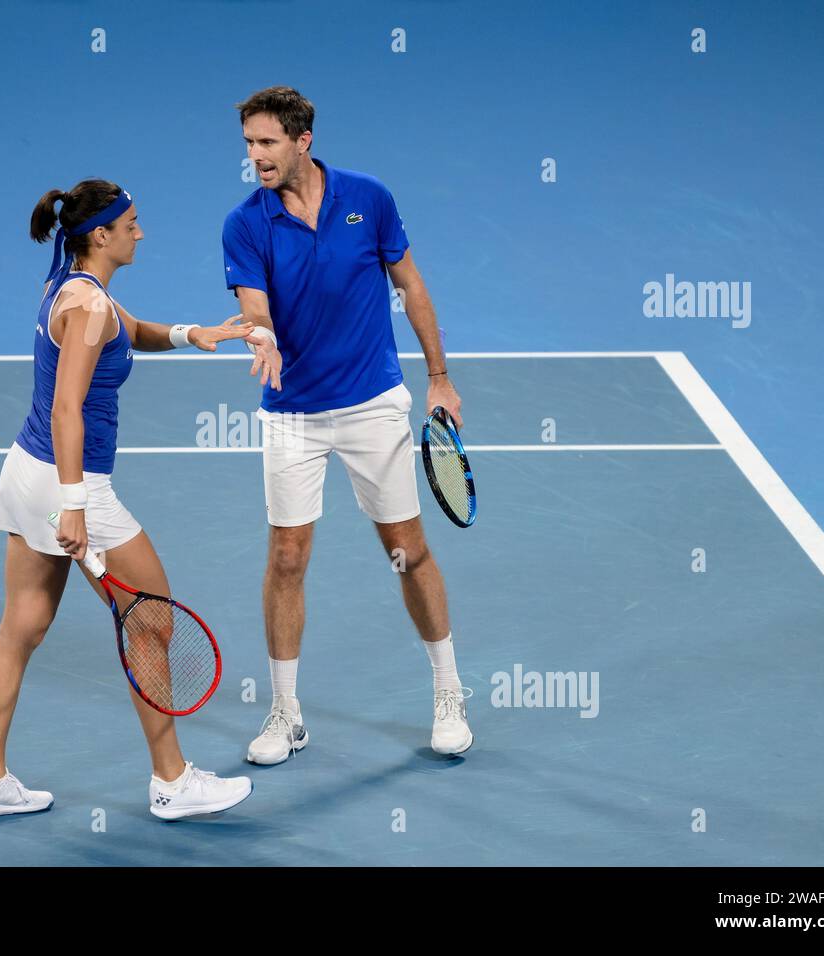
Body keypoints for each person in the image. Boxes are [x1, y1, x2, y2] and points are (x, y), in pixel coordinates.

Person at [0, 179, 255, 819]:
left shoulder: (75, 288)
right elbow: (68, 408)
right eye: (132, 223)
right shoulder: (89, 307)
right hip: (73, 484)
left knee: (21, 628)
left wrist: (188, 334)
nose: (140, 232)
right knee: (152, 621)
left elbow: (131, 330)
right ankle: (173, 783)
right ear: (103, 235)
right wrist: (73, 505)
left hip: (25, 472)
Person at [222, 87, 474, 764]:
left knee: (407, 550)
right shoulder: (245, 223)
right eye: (248, 144)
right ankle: (286, 713)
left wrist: (439, 377)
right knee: (286, 558)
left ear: (303, 140)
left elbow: (410, 284)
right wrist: (263, 336)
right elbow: (254, 304)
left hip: (371, 405)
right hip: (293, 413)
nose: (255, 156)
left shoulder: (370, 199)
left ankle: (449, 692)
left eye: (267, 142)